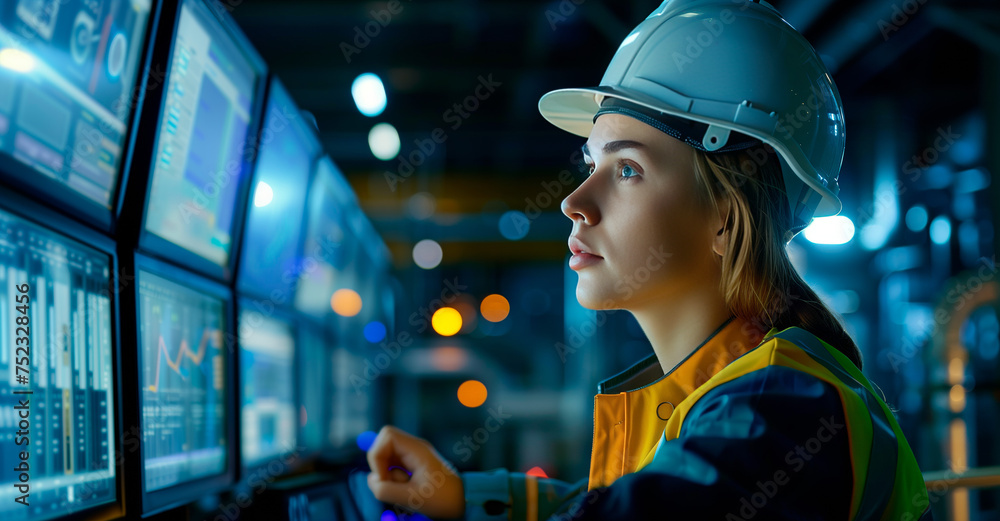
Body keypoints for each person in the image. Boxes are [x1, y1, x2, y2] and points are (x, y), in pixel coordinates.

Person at [366, 1, 934, 519]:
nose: (574, 202)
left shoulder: (779, 411)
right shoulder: (728, 397)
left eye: (628, 169)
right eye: (591, 165)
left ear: (726, 217)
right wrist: (465, 497)